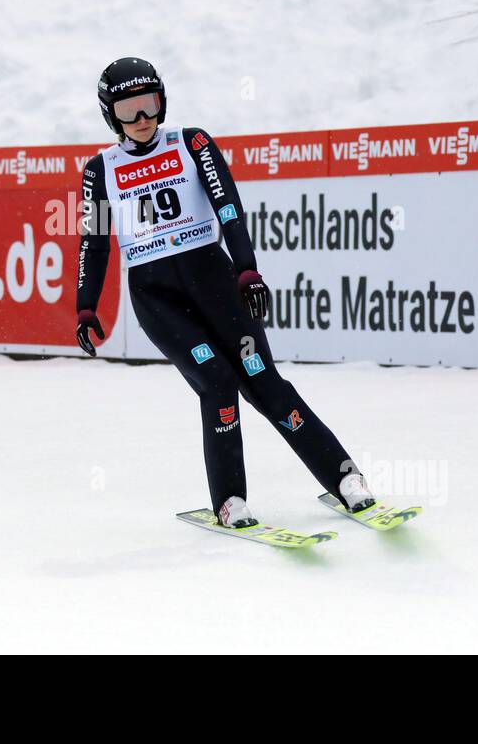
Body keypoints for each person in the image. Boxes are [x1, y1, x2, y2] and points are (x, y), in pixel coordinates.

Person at [74, 56, 376, 529]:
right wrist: (86, 307)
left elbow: (228, 206)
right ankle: (230, 500)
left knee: (265, 382)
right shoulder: (100, 170)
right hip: (158, 299)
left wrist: (248, 271)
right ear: (110, 115)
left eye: (149, 106)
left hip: (214, 281)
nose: (142, 120)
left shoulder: (192, 144)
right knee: (217, 383)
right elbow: (93, 240)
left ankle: (344, 477)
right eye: (128, 110)